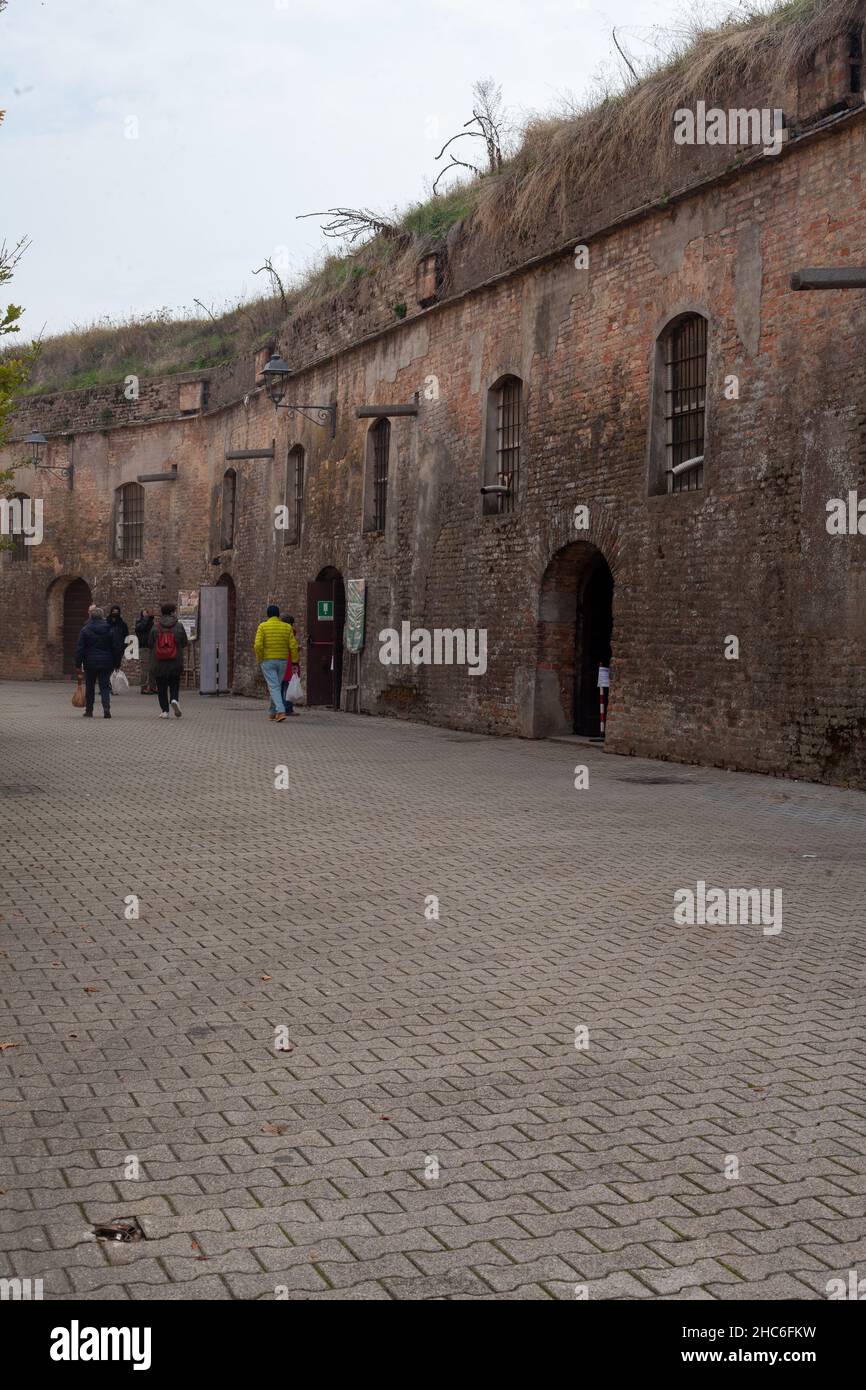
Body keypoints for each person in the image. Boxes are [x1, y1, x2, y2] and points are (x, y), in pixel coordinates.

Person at [75, 606, 124, 718]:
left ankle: (89, 710)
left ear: (91, 616)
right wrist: (117, 663)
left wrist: (78, 664)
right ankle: (106, 708)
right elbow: (116, 648)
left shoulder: (85, 630)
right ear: (102, 616)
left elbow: (80, 648)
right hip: (106, 662)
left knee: (90, 686)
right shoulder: (110, 629)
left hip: (90, 662)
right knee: (105, 686)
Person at [148, 602, 188, 719]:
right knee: (174, 683)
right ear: (172, 612)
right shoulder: (179, 626)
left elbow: (150, 643)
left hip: (159, 662)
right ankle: (174, 699)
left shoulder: (156, 626)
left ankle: (165, 711)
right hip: (175, 661)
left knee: (161, 687)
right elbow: (184, 643)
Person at [254, 603, 292, 722]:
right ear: (278, 615)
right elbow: (293, 645)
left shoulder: (263, 626)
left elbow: (258, 645)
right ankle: (272, 712)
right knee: (276, 686)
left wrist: (260, 658)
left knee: (274, 686)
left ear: (268, 615)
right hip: (283, 661)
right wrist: (294, 660)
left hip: (268, 660)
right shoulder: (287, 627)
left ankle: (280, 711)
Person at [280, 614, 300, 716]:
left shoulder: (278, 632)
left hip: (279, 660)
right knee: (288, 687)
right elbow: (292, 647)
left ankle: (279, 708)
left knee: (280, 686)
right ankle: (288, 708)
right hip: (289, 662)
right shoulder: (290, 632)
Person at [135, 608, 155, 693]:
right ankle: (143, 687)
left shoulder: (151, 623)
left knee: (153, 668)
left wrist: (150, 619)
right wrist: (147, 619)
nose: (147, 613)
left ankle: (152, 686)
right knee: (145, 668)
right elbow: (142, 628)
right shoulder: (139, 623)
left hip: (152, 647)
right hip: (144, 647)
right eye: (146, 612)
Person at [106, 606, 129, 673]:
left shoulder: (122, 624)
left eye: (117, 612)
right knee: (108, 667)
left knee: (116, 668)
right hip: (107, 649)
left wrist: (123, 647)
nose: (115, 613)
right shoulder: (106, 623)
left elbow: (126, 636)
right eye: (113, 612)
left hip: (118, 650)